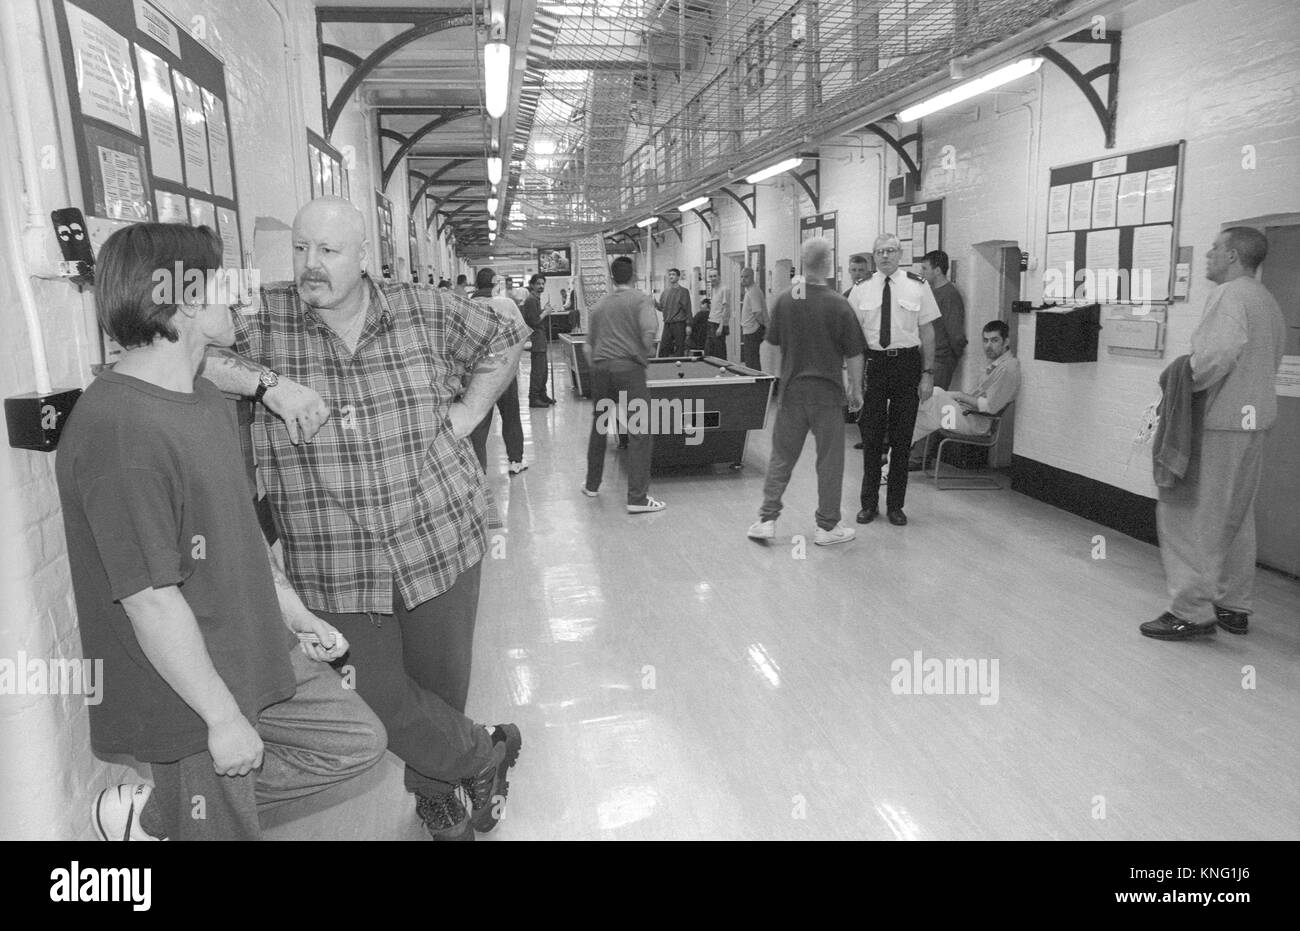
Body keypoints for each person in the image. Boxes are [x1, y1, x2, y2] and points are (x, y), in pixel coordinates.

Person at [202, 197, 527, 840]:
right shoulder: (261, 317)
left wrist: (466, 415)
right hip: (333, 556)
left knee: (439, 682)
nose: (310, 265)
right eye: (300, 248)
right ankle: (480, 754)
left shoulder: (425, 310)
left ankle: (434, 791)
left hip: (438, 536)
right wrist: (269, 384)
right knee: (366, 694)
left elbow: (506, 338)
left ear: (363, 257)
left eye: (327, 250)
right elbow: (189, 354)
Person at [56, 223, 387, 840]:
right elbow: (150, 600)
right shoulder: (120, 431)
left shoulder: (203, 397)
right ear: (183, 302)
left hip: (252, 649)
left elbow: (238, 533)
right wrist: (221, 716)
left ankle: (162, 817)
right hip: (190, 687)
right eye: (220, 284)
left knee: (355, 741)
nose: (239, 296)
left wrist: (293, 613)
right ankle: (181, 815)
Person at [1141, 226, 1286, 641]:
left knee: (1188, 516)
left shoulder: (1229, 295)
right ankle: (1233, 605)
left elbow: (1215, 356)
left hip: (1218, 424)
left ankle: (1191, 610)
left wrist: (1186, 375)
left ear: (1234, 256)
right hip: (1253, 423)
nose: (1208, 254)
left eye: (1216, 249)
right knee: (1235, 518)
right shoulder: (1266, 300)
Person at [748, 237, 866, 546]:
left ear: (803, 263)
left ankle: (766, 520)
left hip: (792, 393)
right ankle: (827, 527)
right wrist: (856, 389)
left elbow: (769, 345)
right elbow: (855, 354)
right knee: (829, 462)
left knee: (781, 458)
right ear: (829, 264)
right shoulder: (840, 304)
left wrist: (774, 380)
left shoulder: (786, 300)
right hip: (827, 396)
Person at [849, 233, 940, 527]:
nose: (885, 256)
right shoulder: (860, 290)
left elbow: (928, 333)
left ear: (900, 254)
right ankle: (868, 504)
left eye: (890, 251)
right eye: (879, 252)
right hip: (874, 365)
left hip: (907, 366)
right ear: (874, 257)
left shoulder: (918, 286)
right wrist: (853, 382)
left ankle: (896, 506)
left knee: (902, 440)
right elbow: (852, 340)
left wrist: (927, 374)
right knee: (872, 439)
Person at [582, 255, 665, 513]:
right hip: (629, 370)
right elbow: (650, 332)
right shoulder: (641, 299)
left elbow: (588, 347)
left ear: (611, 278)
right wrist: (644, 355)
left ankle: (592, 485)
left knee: (600, 426)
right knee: (639, 432)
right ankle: (637, 499)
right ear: (633, 276)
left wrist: (597, 369)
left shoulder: (599, 306)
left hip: (601, 370)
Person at [908, 320, 1020, 466]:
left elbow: (990, 407)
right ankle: (890, 469)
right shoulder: (996, 365)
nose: (988, 346)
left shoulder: (1009, 368)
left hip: (977, 424)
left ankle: (895, 406)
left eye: (995, 340)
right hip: (965, 414)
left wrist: (960, 396)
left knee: (934, 394)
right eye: (985, 340)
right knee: (912, 424)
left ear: (1006, 342)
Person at [469, 267, 528, 474]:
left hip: (476, 374)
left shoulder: (466, 305)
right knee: (511, 415)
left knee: (478, 421)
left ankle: (478, 469)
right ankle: (515, 461)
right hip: (503, 371)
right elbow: (522, 335)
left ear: (476, 285)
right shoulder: (507, 304)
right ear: (495, 284)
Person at [918, 250, 968, 391]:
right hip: (928, 357)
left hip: (940, 360)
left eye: (925, 268)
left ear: (937, 270)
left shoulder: (949, 295)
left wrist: (950, 358)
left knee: (932, 403)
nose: (921, 272)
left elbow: (955, 333)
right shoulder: (931, 292)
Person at [523, 273, 555, 407]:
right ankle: (534, 398)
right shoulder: (531, 300)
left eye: (543, 284)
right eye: (538, 284)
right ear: (532, 285)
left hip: (541, 338)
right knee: (538, 370)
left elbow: (536, 315)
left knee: (543, 370)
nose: (541, 286)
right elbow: (534, 320)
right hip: (536, 339)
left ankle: (542, 394)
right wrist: (545, 312)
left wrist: (543, 310)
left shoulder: (536, 299)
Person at [656, 267, 693, 356]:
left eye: (673, 274)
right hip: (668, 324)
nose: (671, 276)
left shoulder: (683, 291)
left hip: (679, 323)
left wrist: (689, 325)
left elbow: (688, 309)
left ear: (678, 277)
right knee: (664, 348)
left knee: (679, 349)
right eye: (670, 275)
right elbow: (661, 308)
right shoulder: (665, 292)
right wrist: (654, 303)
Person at [739, 266, 768, 370]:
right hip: (749, 330)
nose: (743, 279)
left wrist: (765, 328)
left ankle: (755, 384)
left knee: (752, 362)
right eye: (741, 277)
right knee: (751, 360)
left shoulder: (753, 292)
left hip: (753, 330)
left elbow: (758, 313)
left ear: (752, 277)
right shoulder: (750, 291)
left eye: (746, 277)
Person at [705, 268, 730, 359]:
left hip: (718, 324)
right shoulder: (714, 289)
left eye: (715, 276)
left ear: (719, 277)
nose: (713, 278)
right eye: (711, 276)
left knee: (719, 351)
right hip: (711, 322)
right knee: (708, 351)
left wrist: (721, 327)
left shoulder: (724, 289)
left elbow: (726, 309)